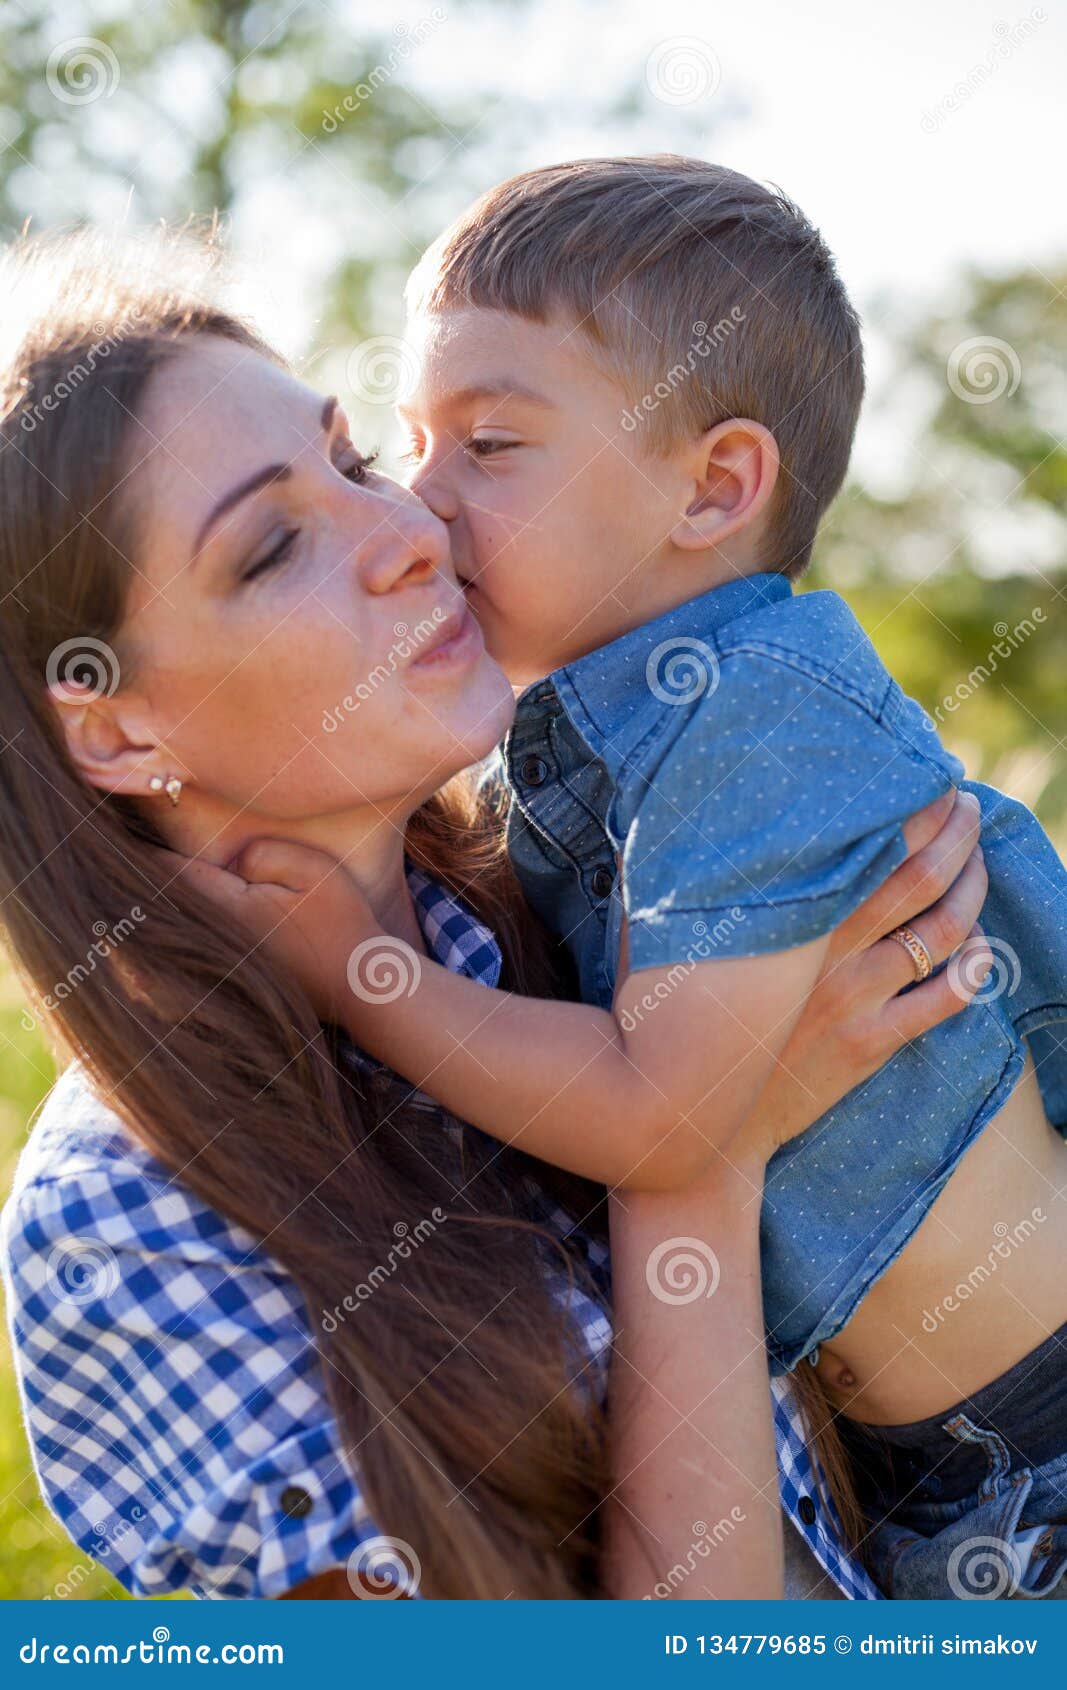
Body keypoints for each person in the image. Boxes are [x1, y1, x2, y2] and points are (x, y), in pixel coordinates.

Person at [0, 229, 983, 1599]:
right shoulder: (130, 1224)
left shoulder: (590, 899)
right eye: (275, 545)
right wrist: (695, 1150)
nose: (410, 531)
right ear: (111, 726)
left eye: (353, 463)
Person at [229, 158, 1067, 1599]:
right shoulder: (575, 754)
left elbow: (656, 1111)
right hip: (928, 1480)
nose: (421, 508)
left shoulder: (759, 714)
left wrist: (361, 974)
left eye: (488, 446)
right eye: (413, 445)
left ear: (717, 486)